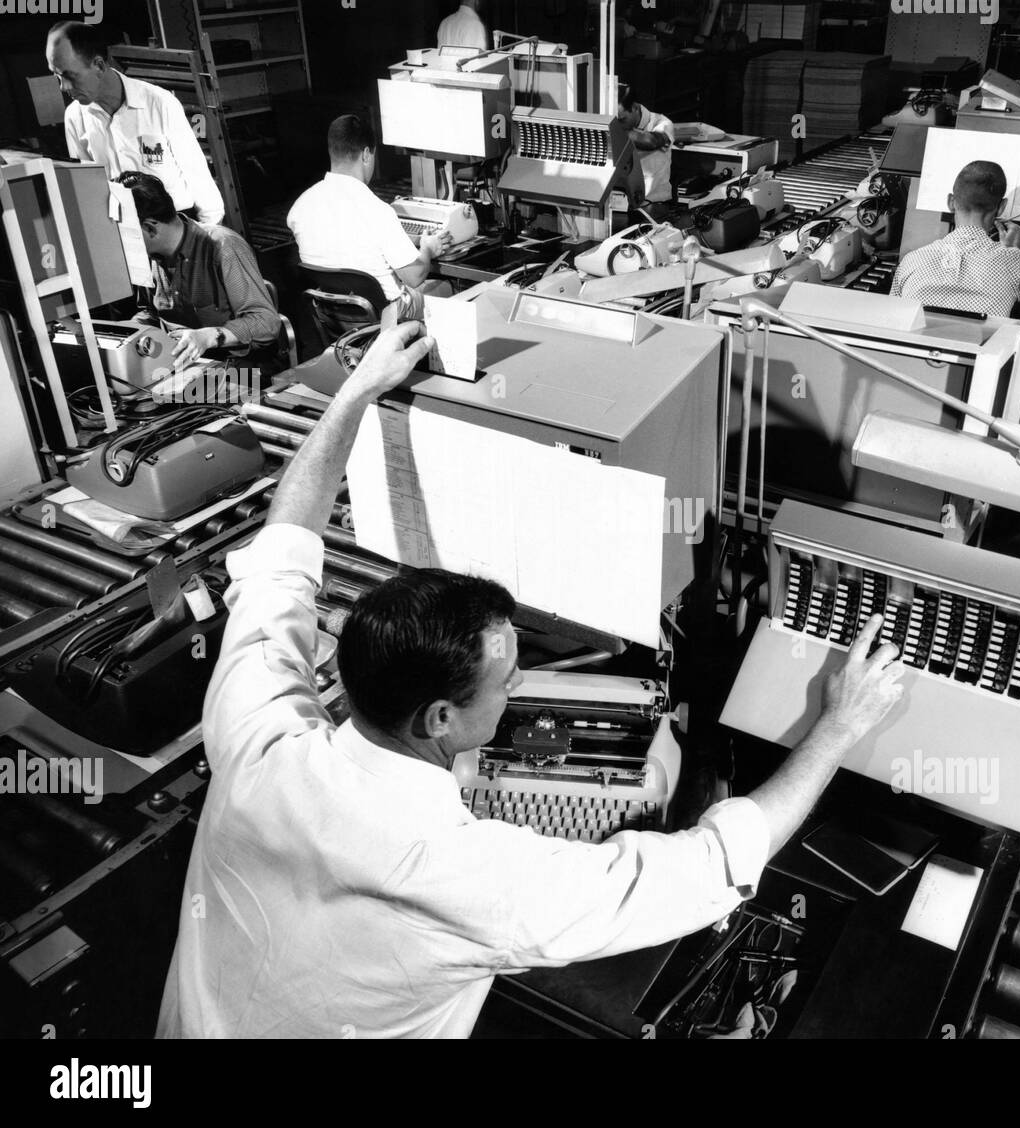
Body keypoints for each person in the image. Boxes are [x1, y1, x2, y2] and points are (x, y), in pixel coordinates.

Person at [156, 320, 906, 1038]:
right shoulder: (471, 881)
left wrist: (356, 391)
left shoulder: (254, 730)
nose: (519, 689)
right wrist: (838, 726)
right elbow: (714, 864)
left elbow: (285, 548)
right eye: (507, 679)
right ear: (440, 719)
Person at [47, 21, 225, 226]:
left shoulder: (159, 103)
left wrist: (209, 233)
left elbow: (196, 174)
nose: (63, 87)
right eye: (57, 76)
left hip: (175, 223)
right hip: (122, 226)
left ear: (99, 65)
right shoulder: (75, 116)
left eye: (70, 75)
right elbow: (87, 187)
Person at [121, 172, 279, 372]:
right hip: (178, 366)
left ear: (150, 228)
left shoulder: (223, 246)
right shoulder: (148, 256)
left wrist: (207, 337)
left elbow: (266, 323)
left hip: (236, 368)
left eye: (126, 234)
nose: (121, 243)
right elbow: (151, 313)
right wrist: (121, 332)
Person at [287, 115, 452, 305]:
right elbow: (414, 277)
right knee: (449, 289)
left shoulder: (299, 209)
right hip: (388, 315)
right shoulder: (377, 210)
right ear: (366, 154)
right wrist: (427, 249)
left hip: (334, 316)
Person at [891, 160, 1020, 327]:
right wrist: (1012, 252)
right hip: (980, 357)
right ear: (1002, 207)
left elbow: (891, 318)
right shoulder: (1015, 261)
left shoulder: (910, 261)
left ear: (951, 202)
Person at [616, 87, 675, 206]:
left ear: (634, 108)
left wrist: (616, 131)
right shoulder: (620, 126)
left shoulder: (663, 123)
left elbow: (651, 141)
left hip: (655, 203)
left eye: (622, 120)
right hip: (622, 203)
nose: (619, 124)